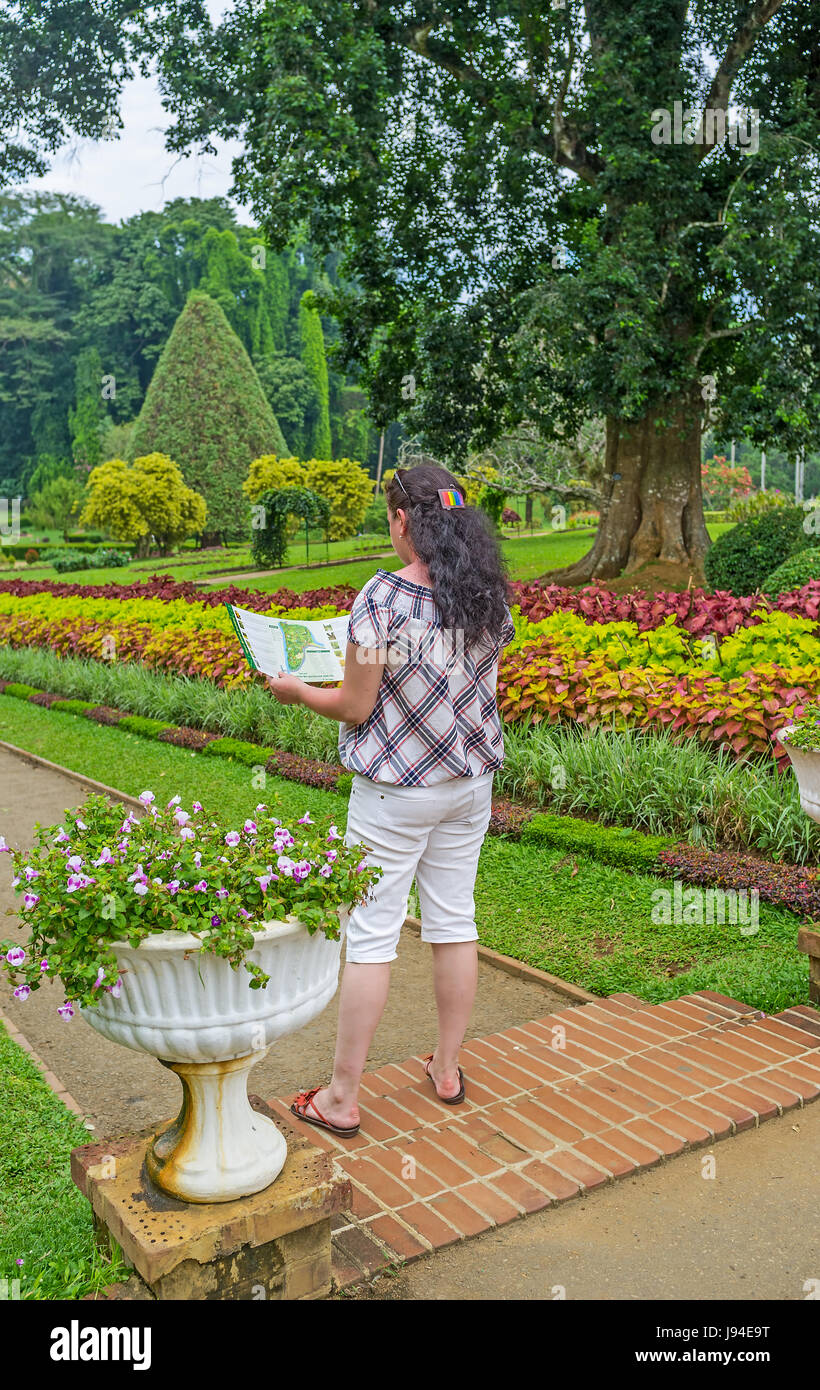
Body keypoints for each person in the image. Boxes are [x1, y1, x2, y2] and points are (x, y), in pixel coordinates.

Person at [266, 461, 515, 1136]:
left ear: (405, 519)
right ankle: (447, 1069)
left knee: (372, 937)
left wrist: (296, 692)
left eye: (391, 519)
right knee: (454, 922)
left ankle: (342, 1099)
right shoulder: (487, 591)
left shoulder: (382, 598)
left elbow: (354, 704)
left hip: (395, 792)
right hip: (468, 785)